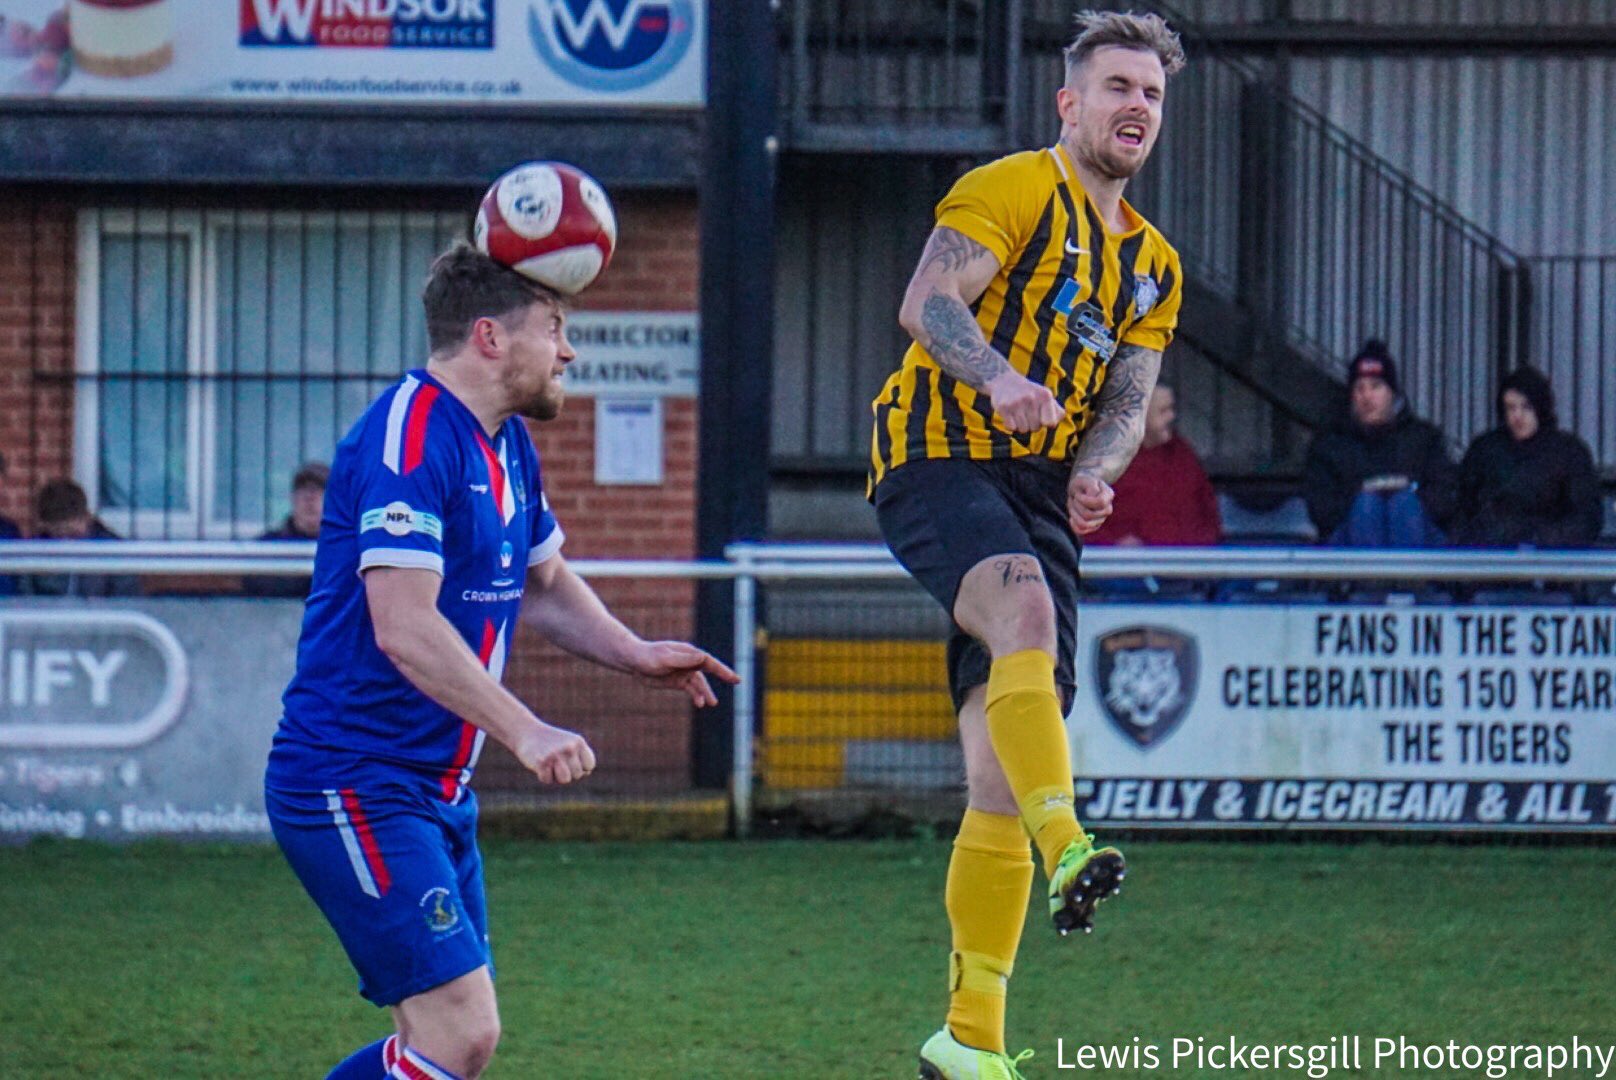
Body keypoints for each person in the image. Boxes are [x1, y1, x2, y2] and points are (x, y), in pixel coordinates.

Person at [263, 243, 738, 1080]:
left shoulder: (507, 442)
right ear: (490, 336)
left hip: (435, 787)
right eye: (554, 327)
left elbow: (544, 583)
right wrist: (525, 730)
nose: (569, 351)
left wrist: (634, 653)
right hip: (352, 778)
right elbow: (403, 626)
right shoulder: (410, 437)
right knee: (460, 1033)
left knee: (447, 1043)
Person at [866, 12, 1185, 1077]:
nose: (1136, 106)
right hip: (937, 449)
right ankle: (1069, 845)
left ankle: (968, 1040)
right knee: (1026, 612)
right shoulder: (1009, 188)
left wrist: (1097, 469)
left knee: (997, 768)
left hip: (1040, 489)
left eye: (1151, 93)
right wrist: (1000, 378)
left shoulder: (1153, 267)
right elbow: (926, 302)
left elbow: (1128, 398)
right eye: (1118, 87)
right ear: (1069, 103)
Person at [1303, 340, 1456, 547]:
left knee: (1404, 505)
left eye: (1376, 387)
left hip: (1418, 533)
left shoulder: (1424, 439)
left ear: (1392, 393)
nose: (1367, 396)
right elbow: (1322, 510)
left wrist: (1406, 496)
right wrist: (1363, 497)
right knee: (1366, 507)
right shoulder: (1330, 444)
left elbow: (1445, 499)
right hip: (1349, 540)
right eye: (1359, 388)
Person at [1453, 367, 1601, 549]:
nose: (1517, 416)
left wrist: (1541, 539)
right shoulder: (1484, 450)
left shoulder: (1569, 453)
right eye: (1510, 408)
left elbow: (1586, 518)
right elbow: (1462, 508)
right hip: (1489, 555)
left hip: (1550, 558)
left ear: (1541, 408)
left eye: (1526, 407)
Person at [1086, 385, 1219, 546]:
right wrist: (1114, 544)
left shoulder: (1183, 456)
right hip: (1121, 560)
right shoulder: (1104, 459)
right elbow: (1081, 520)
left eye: (1172, 409)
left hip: (1186, 558)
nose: (1172, 416)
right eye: (1163, 411)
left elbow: (1209, 515)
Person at [21, 478, 140, 598]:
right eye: (58, 536)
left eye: (73, 534)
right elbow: (25, 598)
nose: (66, 542)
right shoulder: (35, 552)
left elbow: (125, 600)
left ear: (87, 518)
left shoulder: (113, 551)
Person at [242, 461, 329, 598]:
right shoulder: (267, 547)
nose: (309, 498)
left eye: (319, 490)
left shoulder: (344, 548)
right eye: (303, 490)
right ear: (293, 498)